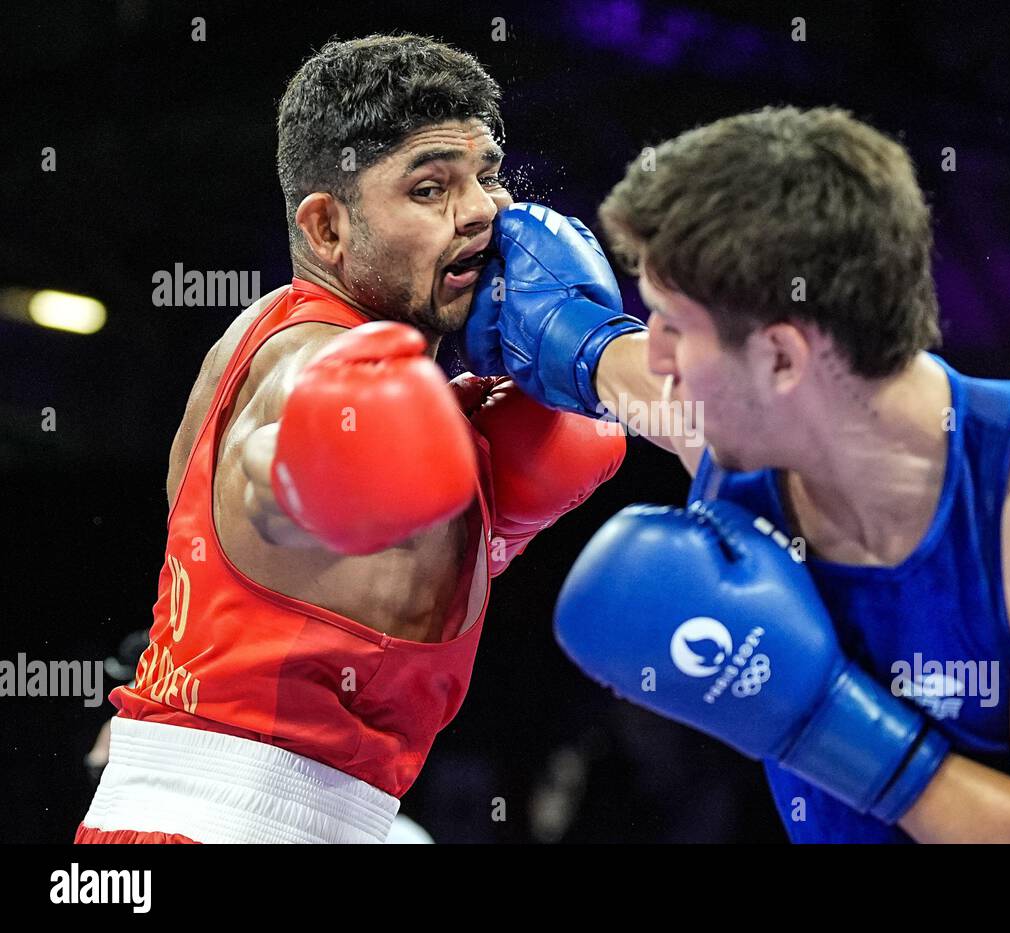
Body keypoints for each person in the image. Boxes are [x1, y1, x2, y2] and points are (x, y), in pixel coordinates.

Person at [463, 106, 1010, 843]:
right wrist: (544, 319)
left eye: (673, 324)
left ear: (781, 356)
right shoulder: (731, 418)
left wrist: (822, 721)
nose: (655, 355)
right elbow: (601, 359)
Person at [76, 34, 623, 845]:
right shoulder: (311, 364)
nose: (480, 210)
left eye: (488, 175)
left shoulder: (432, 400)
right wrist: (322, 471)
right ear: (327, 228)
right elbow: (285, 455)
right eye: (430, 188)